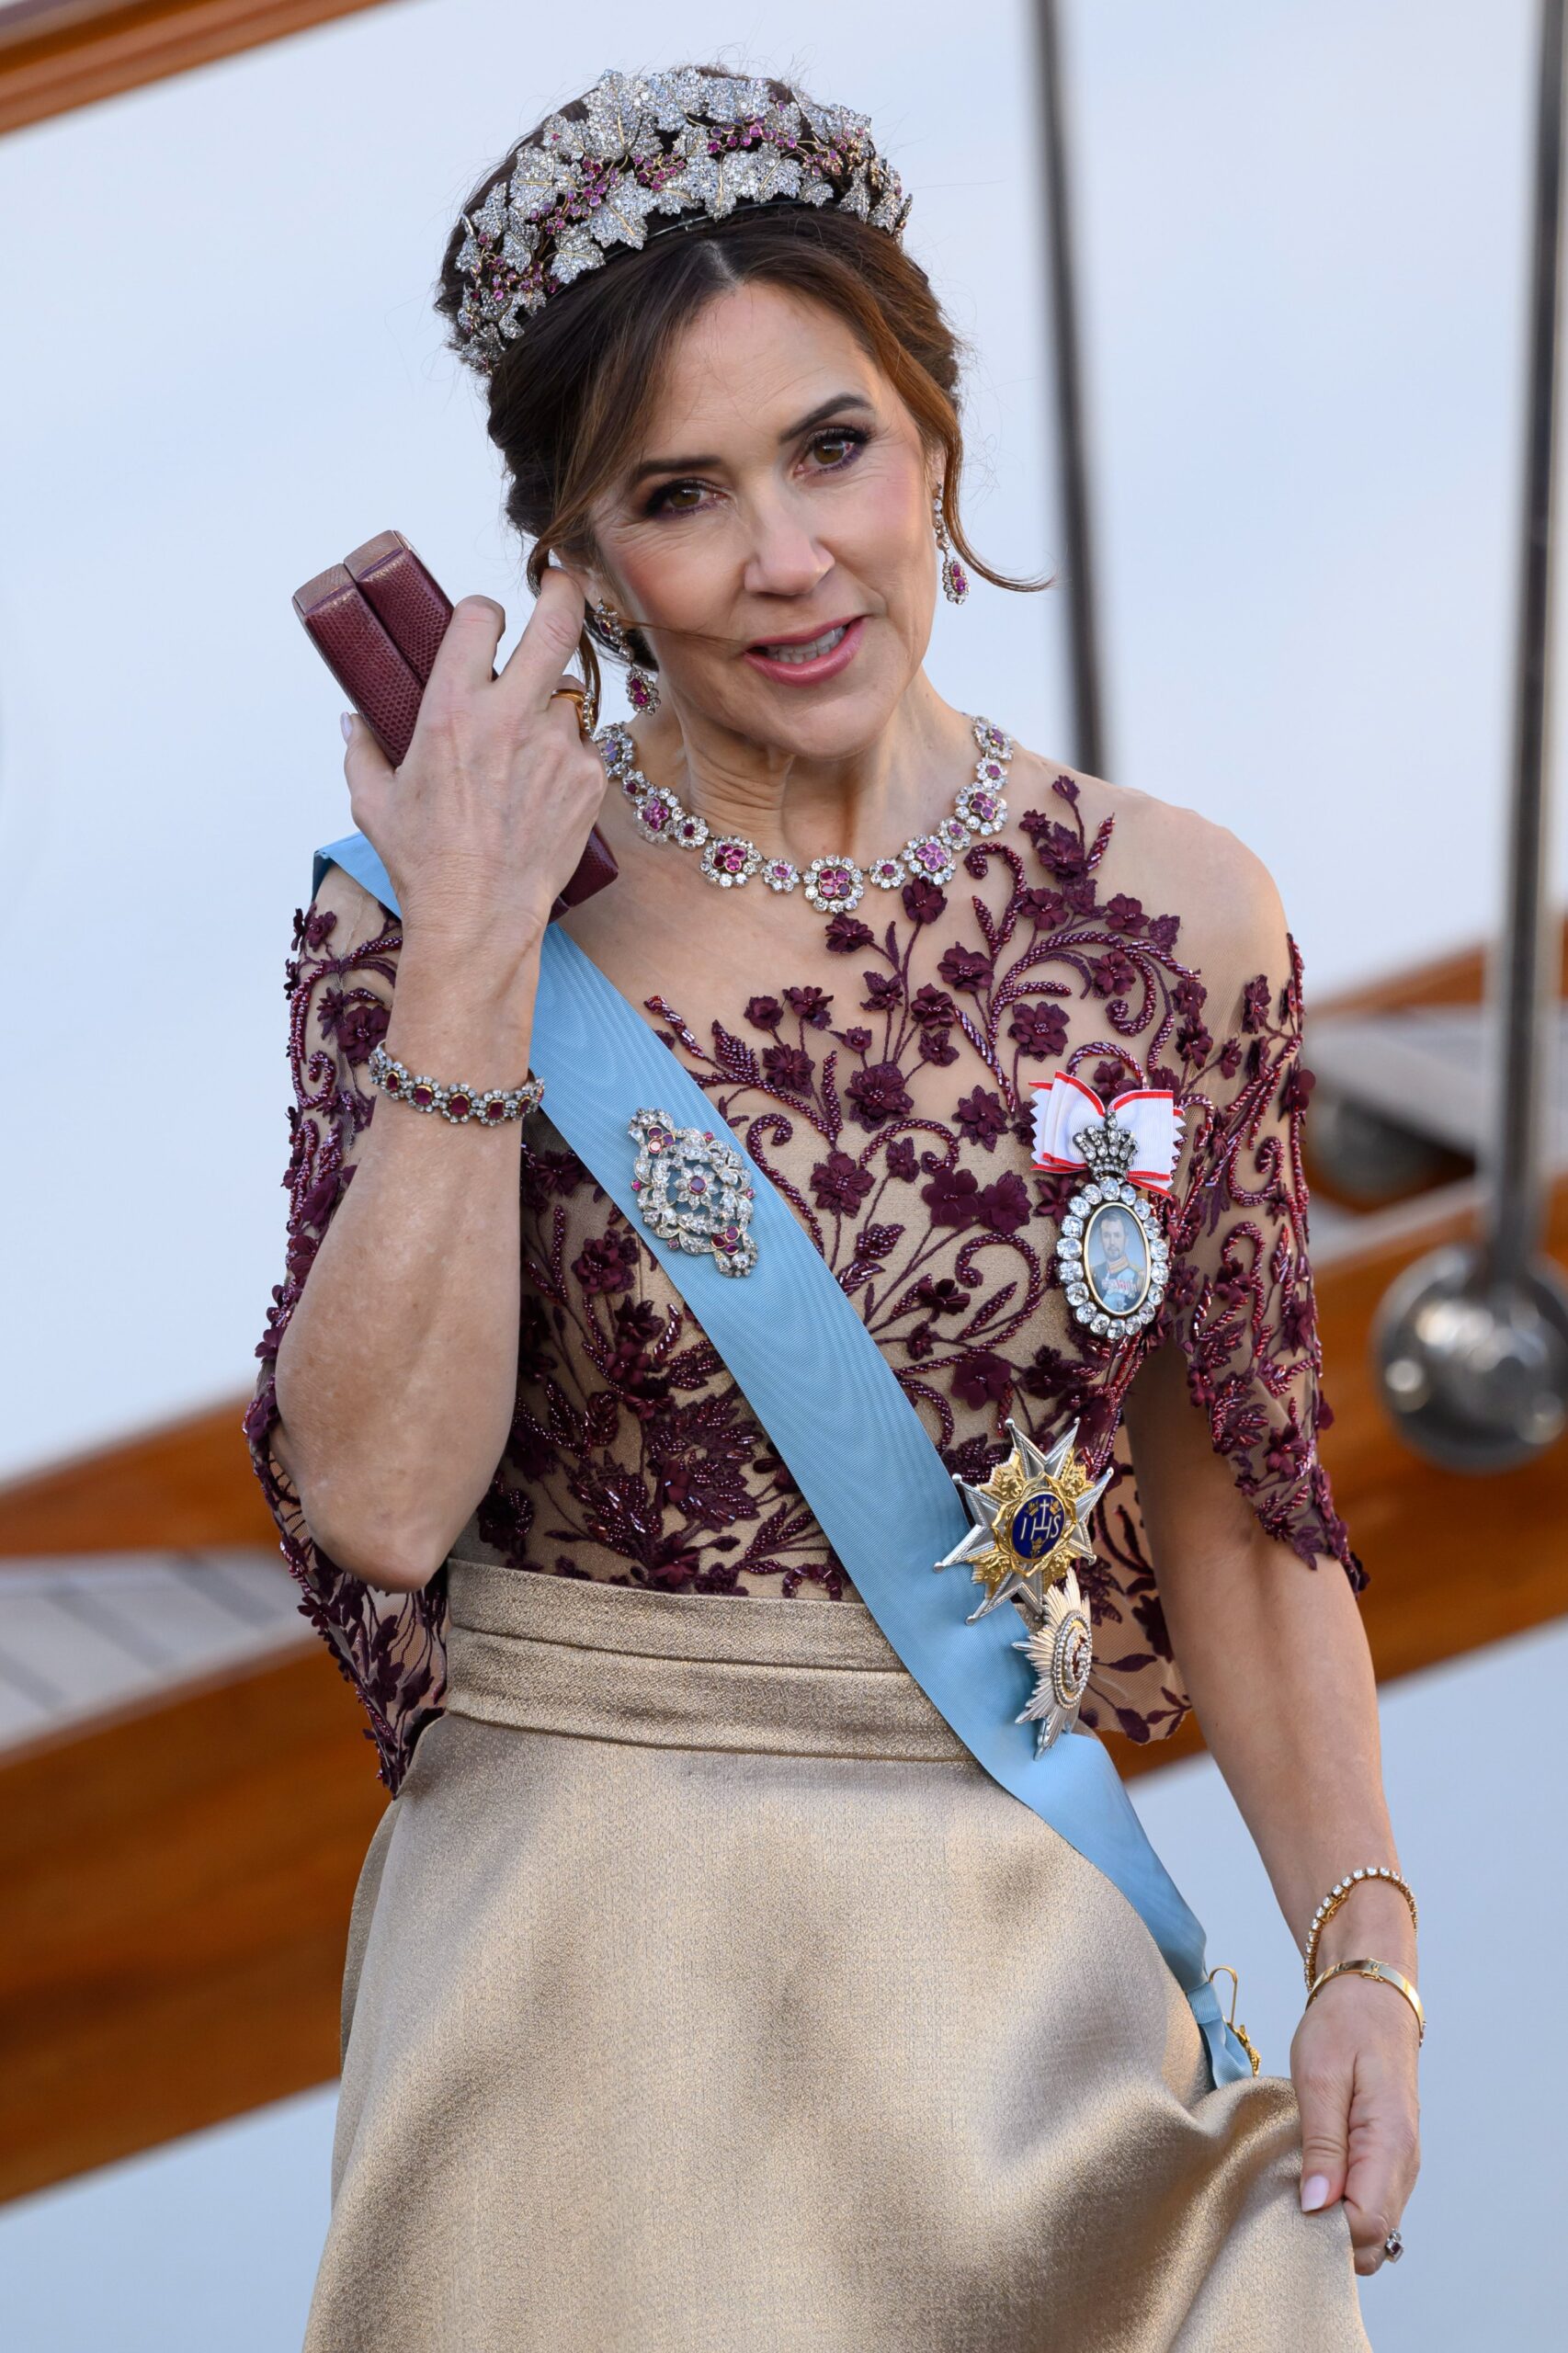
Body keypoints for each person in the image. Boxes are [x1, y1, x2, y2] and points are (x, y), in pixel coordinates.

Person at [246, 65, 1420, 2350]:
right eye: (680, 496)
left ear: (935, 438)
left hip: (1030, 1979)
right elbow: (380, 1501)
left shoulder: (1179, 914)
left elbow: (1237, 1491)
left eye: (831, 446)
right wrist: (478, 947)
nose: (784, 556)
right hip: (593, 1974)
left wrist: (1356, 1941)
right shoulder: (450, 914)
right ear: (576, 563)